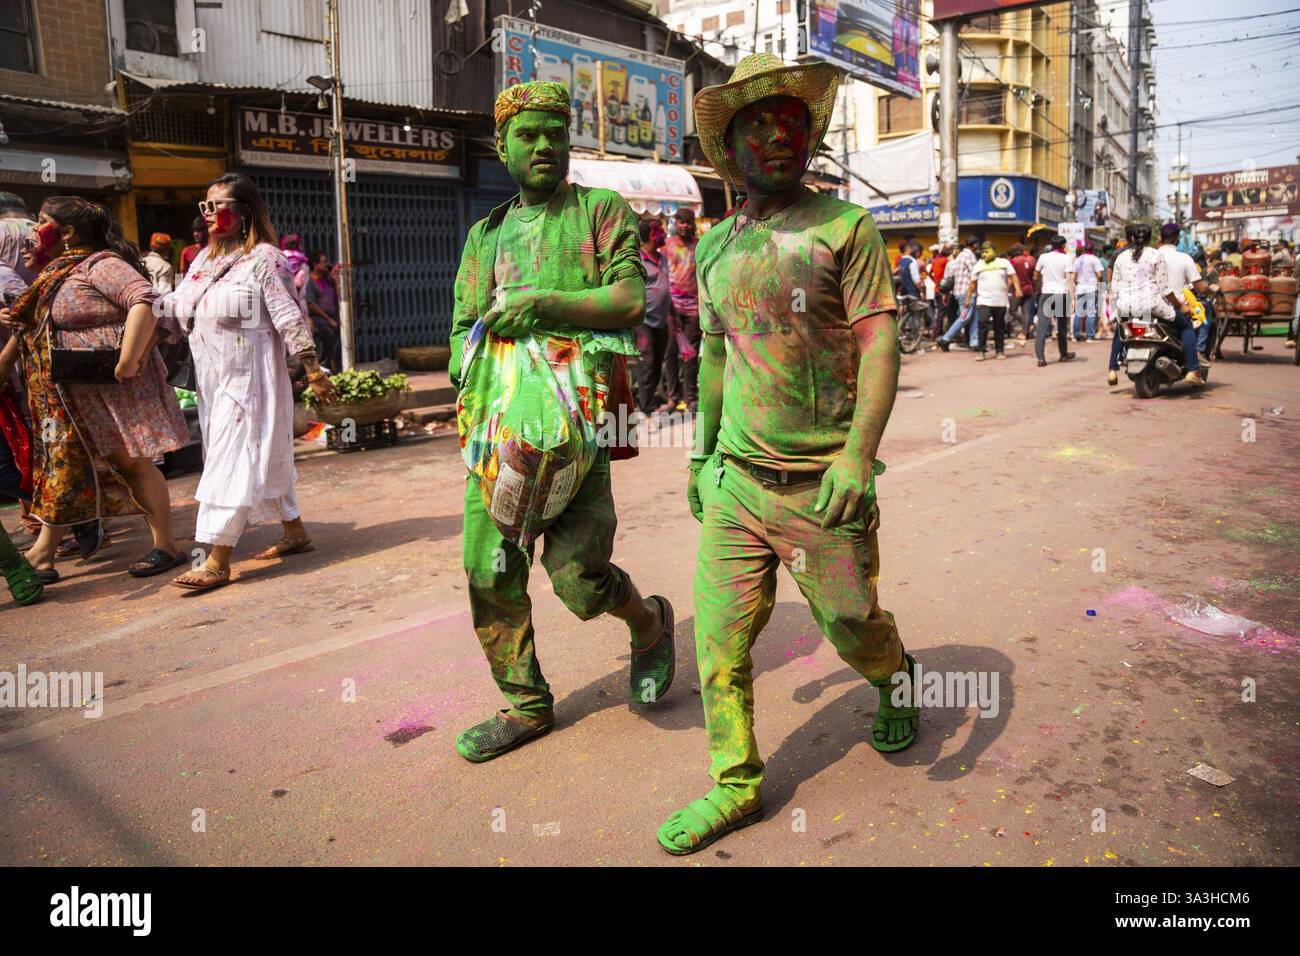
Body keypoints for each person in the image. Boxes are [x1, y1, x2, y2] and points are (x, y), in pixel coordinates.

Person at [658, 53, 915, 855]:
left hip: (822, 489)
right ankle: (735, 782)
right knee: (721, 642)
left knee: (850, 620)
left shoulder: (845, 228)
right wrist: (702, 459)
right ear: (728, 147)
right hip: (737, 481)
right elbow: (715, 360)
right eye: (758, 124)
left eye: (792, 121)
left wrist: (856, 458)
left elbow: (880, 344)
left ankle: (895, 675)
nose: (779, 135)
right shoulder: (712, 248)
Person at [447, 81, 675, 762]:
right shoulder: (485, 236)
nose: (543, 145)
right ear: (503, 148)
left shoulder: (601, 211)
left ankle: (649, 623)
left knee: (578, 577)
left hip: (585, 427)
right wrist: (483, 379)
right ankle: (526, 703)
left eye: (554, 132)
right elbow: (463, 329)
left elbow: (631, 299)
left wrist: (543, 304)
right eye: (528, 135)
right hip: (500, 437)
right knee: (489, 567)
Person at [163, 173, 339, 592]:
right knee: (259, 454)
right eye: (206, 206)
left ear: (244, 213)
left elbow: (289, 315)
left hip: (251, 378)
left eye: (219, 205)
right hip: (211, 380)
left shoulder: (266, 258)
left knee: (229, 459)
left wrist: (313, 371)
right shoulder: (201, 262)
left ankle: (217, 559)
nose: (210, 214)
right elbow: (174, 308)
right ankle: (294, 532)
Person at [0, 197, 190, 582]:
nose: (35, 230)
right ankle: (43, 553)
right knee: (67, 466)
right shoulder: (54, 272)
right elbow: (36, 328)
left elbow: (148, 301)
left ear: (66, 232)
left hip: (115, 385)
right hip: (72, 393)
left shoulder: (101, 265)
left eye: (42, 222)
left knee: (132, 463)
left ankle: (166, 546)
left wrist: (128, 358)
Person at [1107, 221, 1199, 387]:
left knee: (1122, 328)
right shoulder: (1156, 255)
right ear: (1152, 238)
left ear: (1131, 238)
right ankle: (1193, 369)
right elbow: (1164, 289)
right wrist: (1181, 306)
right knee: (1186, 326)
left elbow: (1114, 287)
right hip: (1152, 305)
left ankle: (1112, 369)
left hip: (1126, 306)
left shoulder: (1121, 257)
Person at [1155, 221, 1209, 385]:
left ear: (1160, 238)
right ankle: (1194, 369)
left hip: (1144, 306)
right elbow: (1200, 287)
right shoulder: (1184, 258)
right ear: (1178, 239)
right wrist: (1211, 288)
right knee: (1188, 326)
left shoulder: (1149, 256)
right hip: (1171, 307)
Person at [662, 207, 700, 413]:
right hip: (671, 308)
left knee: (691, 355)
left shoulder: (700, 246)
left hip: (694, 308)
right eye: (681, 222)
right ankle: (672, 398)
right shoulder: (666, 246)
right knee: (670, 354)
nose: (685, 226)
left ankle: (691, 398)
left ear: (693, 224)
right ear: (675, 224)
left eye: (688, 222)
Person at [635, 218, 671, 415]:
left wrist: (673, 316)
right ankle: (645, 407)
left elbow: (667, 288)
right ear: (650, 234)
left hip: (662, 321)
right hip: (644, 322)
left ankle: (651, 403)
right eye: (660, 231)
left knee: (658, 362)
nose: (664, 234)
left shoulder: (663, 258)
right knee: (646, 363)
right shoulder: (638, 260)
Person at [966, 241, 1022, 360]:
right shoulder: (978, 265)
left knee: (999, 326)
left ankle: (1000, 351)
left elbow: (1013, 276)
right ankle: (981, 351)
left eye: (987, 251)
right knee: (982, 323)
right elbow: (972, 284)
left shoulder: (1004, 263)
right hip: (983, 300)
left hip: (1000, 300)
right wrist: (967, 298)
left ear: (993, 251)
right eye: (983, 251)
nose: (984, 254)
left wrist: (1018, 289)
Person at [1033, 233, 1075, 367]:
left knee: (1041, 327)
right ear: (1063, 245)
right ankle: (1063, 354)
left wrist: (1039, 288)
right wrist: (1072, 298)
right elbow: (1069, 279)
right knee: (1061, 326)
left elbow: (1035, 275)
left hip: (1046, 294)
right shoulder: (1067, 259)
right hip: (1061, 294)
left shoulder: (1043, 257)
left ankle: (1040, 358)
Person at [936, 235, 979, 351]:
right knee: (965, 317)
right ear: (974, 245)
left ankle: (974, 343)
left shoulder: (959, 257)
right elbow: (974, 275)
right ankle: (945, 339)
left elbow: (951, 276)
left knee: (974, 317)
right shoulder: (970, 256)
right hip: (967, 292)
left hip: (959, 291)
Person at [303, 250, 341, 369]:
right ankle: (323, 363)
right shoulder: (310, 282)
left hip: (333, 317)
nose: (326, 265)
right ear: (315, 265)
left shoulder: (327, 280)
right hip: (320, 319)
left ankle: (333, 365)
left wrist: (336, 280)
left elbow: (337, 295)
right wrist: (328, 319)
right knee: (328, 336)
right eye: (323, 262)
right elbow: (311, 304)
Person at [1070, 241, 1104, 340]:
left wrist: (1078, 283)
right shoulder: (1095, 259)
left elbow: (1074, 276)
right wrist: (1099, 285)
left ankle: (1076, 334)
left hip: (1081, 288)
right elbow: (1099, 275)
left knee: (1078, 312)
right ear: (1093, 249)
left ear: (1084, 249)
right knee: (1091, 312)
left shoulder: (1078, 260)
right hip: (1091, 288)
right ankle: (1090, 335)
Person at [1009, 243, 1036, 337]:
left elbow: (1010, 276)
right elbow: (1035, 276)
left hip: (1017, 289)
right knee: (1026, 311)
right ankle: (1025, 331)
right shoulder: (1031, 261)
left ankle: (1026, 325)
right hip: (1029, 288)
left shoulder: (1013, 261)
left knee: (1012, 310)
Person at [928, 243, 949, 337]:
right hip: (944, 291)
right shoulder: (946, 261)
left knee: (939, 312)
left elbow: (929, 273)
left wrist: (935, 281)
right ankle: (938, 333)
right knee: (942, 313)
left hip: (936, 290)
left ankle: (938, 332)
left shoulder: (934, 261)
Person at [280, 234, 311, 298]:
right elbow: (305, 261)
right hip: (297, 283)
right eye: (299, 243)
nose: (301, 246)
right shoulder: (299, 255)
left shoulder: (282, 254)